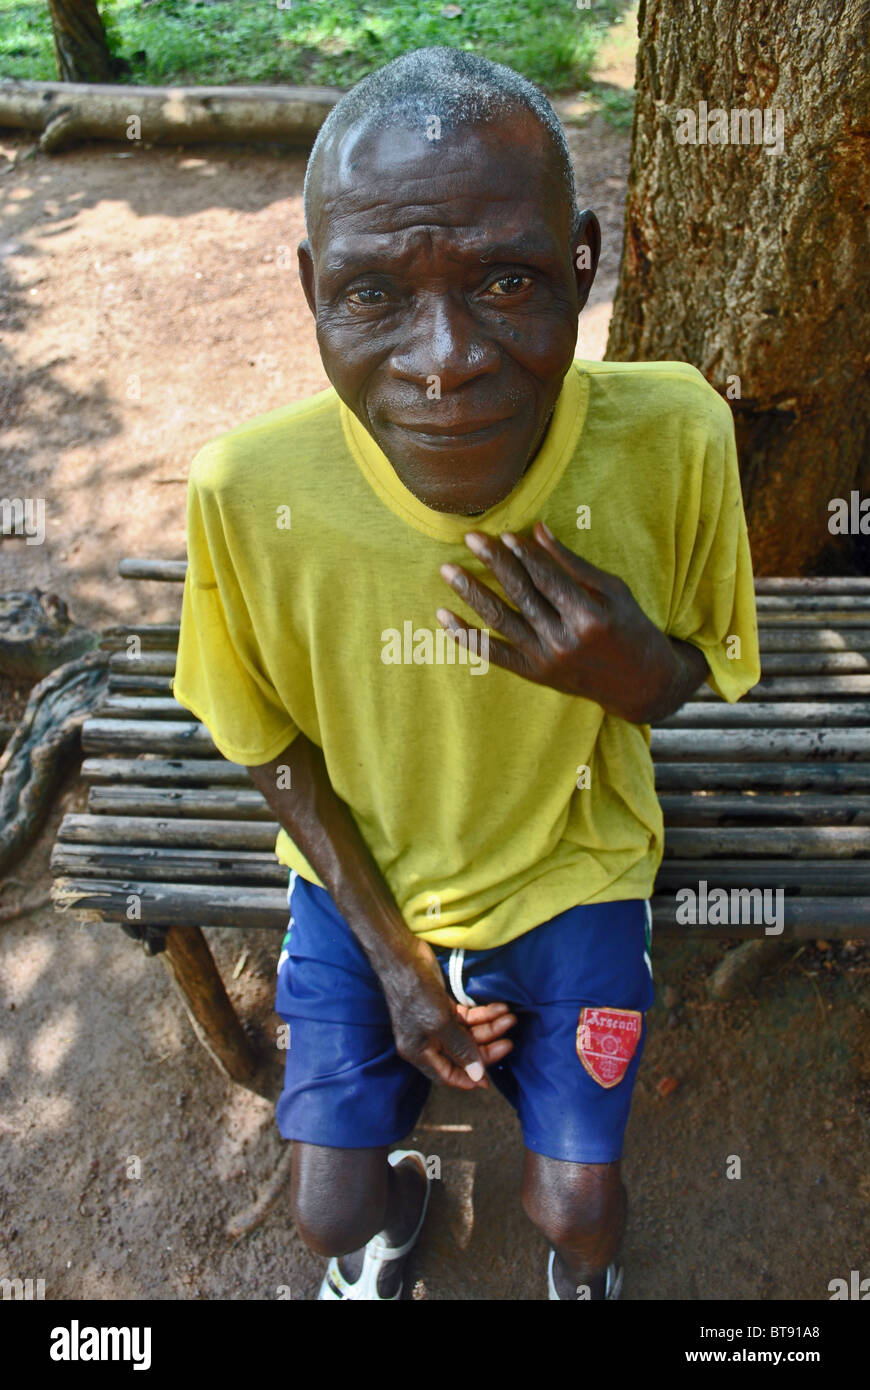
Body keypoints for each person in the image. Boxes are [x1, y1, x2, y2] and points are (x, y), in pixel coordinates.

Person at [172, 46, 760, 1301]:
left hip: (576, 861)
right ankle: (402, 1210)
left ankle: (582, 1272)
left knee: (581, 1211)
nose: (445, 359)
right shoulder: (249, 492)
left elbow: (697, 674)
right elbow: (263, 738)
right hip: (361, 881)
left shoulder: (673, 437)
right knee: (328, 1211)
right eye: (372, 294)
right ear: (311, 290)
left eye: (506, 280)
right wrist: (396, 960)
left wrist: (635, 675)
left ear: (584, 265)